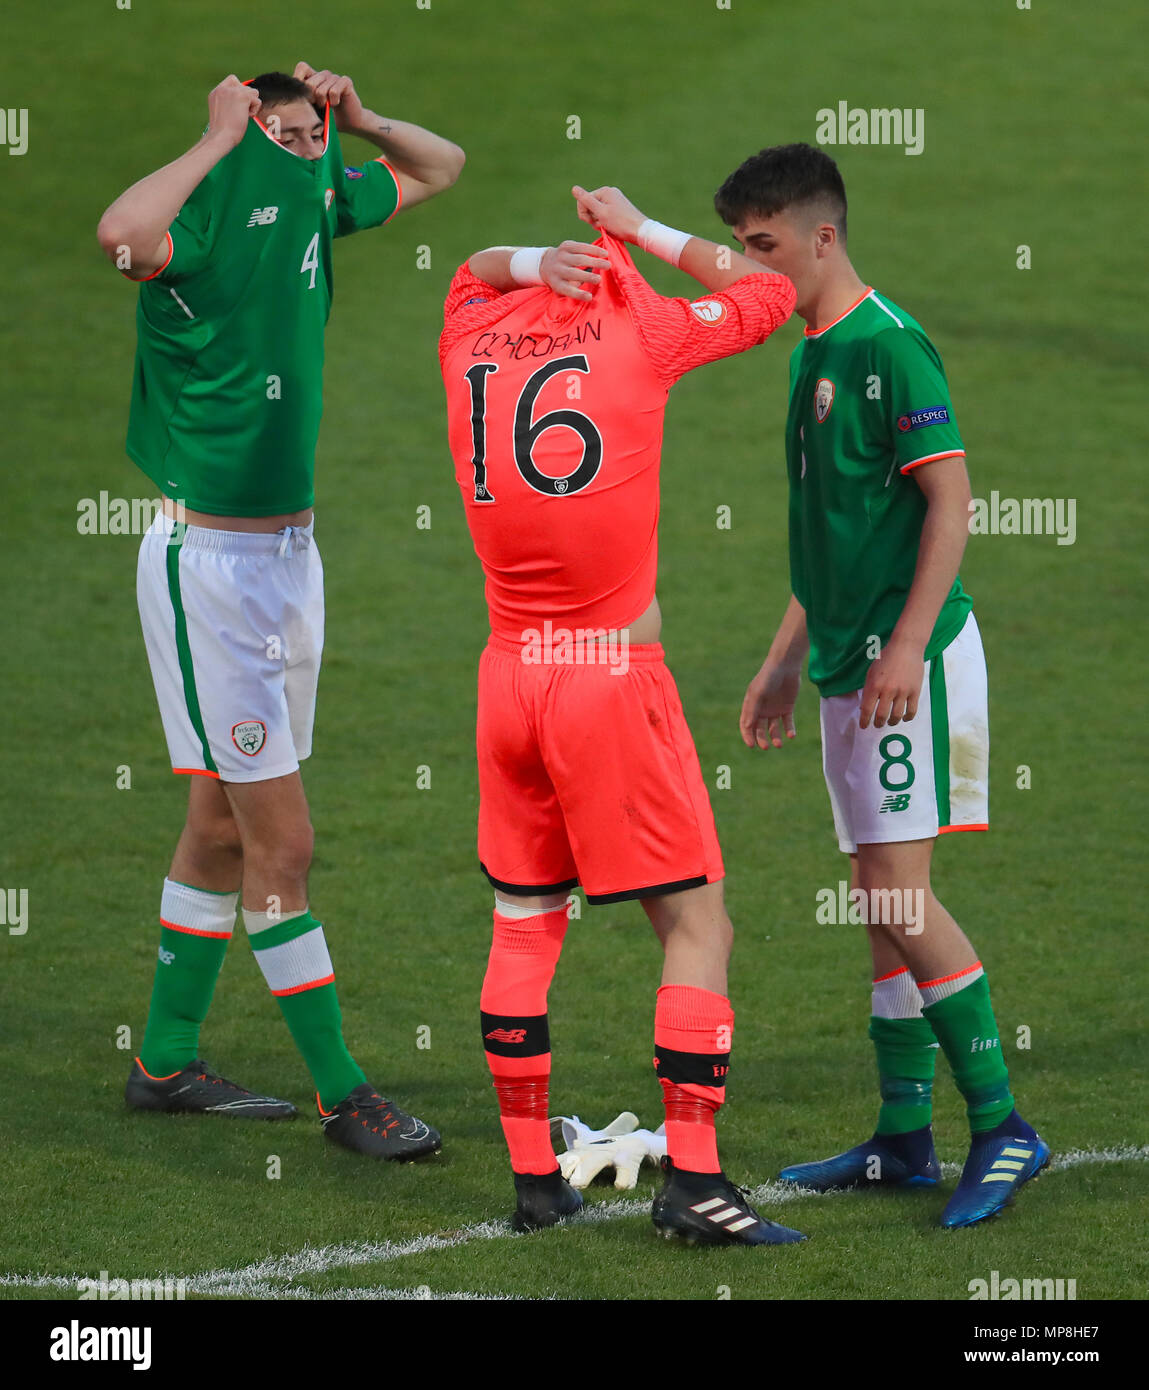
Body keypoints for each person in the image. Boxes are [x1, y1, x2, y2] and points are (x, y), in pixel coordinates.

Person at [97, 66, 463, 1158]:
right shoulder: (200, 207)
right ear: (245, 127)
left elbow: (436, 167)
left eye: (317, 135)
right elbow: (121, 231)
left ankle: (164, 1062)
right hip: (209, 568)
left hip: (286, 564)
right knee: (283, 845)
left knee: (220, 823)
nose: (312, 152)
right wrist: (218, 140)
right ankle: (345, 1095)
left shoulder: (312, 183)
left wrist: (360, 121)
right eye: (291, 135)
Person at [438, 183, 805, 1243]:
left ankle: (532, 1183)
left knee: (523, 925)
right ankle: (694, 1184)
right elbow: (768, 288)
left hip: (507, 675)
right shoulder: (645, 325)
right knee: (699, 923)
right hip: (609, 678)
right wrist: (644, 232)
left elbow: (472, 261)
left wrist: (526, 260)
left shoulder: (471, 327)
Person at [720, 143, 1048, 1227]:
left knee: (899, 895)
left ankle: (1003, 1125)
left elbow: (950, 506)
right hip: (844, 668)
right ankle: (905, 1135)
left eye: (763, 245)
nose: (750, 264)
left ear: (822, 237)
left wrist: (905, 646)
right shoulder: (814, 347)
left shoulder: (890, 350)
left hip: (908, 668)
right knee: (878, 901)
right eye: (739, 246)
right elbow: (841, 537)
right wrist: (778, 661)